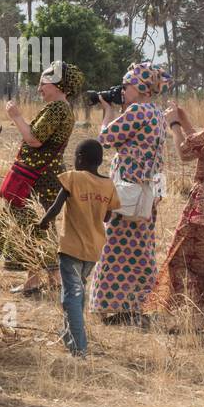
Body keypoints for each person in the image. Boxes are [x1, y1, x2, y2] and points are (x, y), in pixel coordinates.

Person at [0, 62, 84, 294]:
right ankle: (47, 278)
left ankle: (44, 279)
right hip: (44, 175)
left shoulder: (57, 109)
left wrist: (15, 116)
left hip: (40, 177)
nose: (39, 87)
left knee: (33, 224)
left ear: (59, 85)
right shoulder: (60, 108)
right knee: (38, 226)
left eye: (44, 82)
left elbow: (34, 139)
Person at [90, 62, 170, 326]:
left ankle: (111, 306)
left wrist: (107, 111)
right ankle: (140, 304)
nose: (123, 90)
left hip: (127, 192)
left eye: (127, 85)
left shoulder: (137, 111)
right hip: (146, 193)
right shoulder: (156, 113)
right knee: (141, 250)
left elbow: (104, 138)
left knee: (113, 247)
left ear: (141, 88)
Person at [37, 139, 120, 355]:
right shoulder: (108, 184)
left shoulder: (73, 178)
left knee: (71, 297)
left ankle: (79, 347)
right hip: (93, 250)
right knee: (77, 292)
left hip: (71, 248)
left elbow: (56, 206)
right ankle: (68, 335)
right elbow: (109, 215)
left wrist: (43, 222)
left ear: (80, 159)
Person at [149, 78, 204, 324]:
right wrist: (185, 121)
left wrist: (174, 124)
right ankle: (197, 321)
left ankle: (193, 321)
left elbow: (186, 153)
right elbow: (200, 144)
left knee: (183, 261)